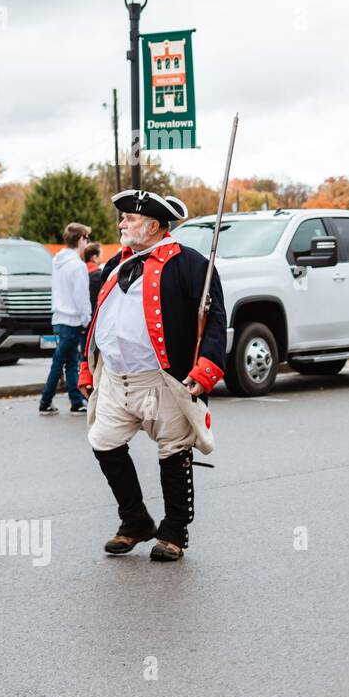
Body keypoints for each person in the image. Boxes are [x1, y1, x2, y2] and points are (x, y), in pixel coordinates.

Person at [80, 190, 226, 563]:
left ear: (154, 226)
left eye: (130, 218)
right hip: (115, 378)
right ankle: (135, 520)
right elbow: (97, 320)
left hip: (162, 380)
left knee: (173, 451)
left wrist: (206, 369)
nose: (122, 223)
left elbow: (214, 320)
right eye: (124, 217)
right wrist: (86, 365)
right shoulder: (115, 265)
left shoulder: (191, 264)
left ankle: (174, 531)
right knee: (104, 442)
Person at [40, 222, 92, 415]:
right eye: (86, 238)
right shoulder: (78, 266)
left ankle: (76, 401)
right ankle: (45, 400)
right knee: (60, 361)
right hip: (73, 320)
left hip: (59, 318)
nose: (87, 242)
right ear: (80, 239)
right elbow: (81, 296)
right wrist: (86, 318)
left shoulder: (58, 262)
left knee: (69, 361)